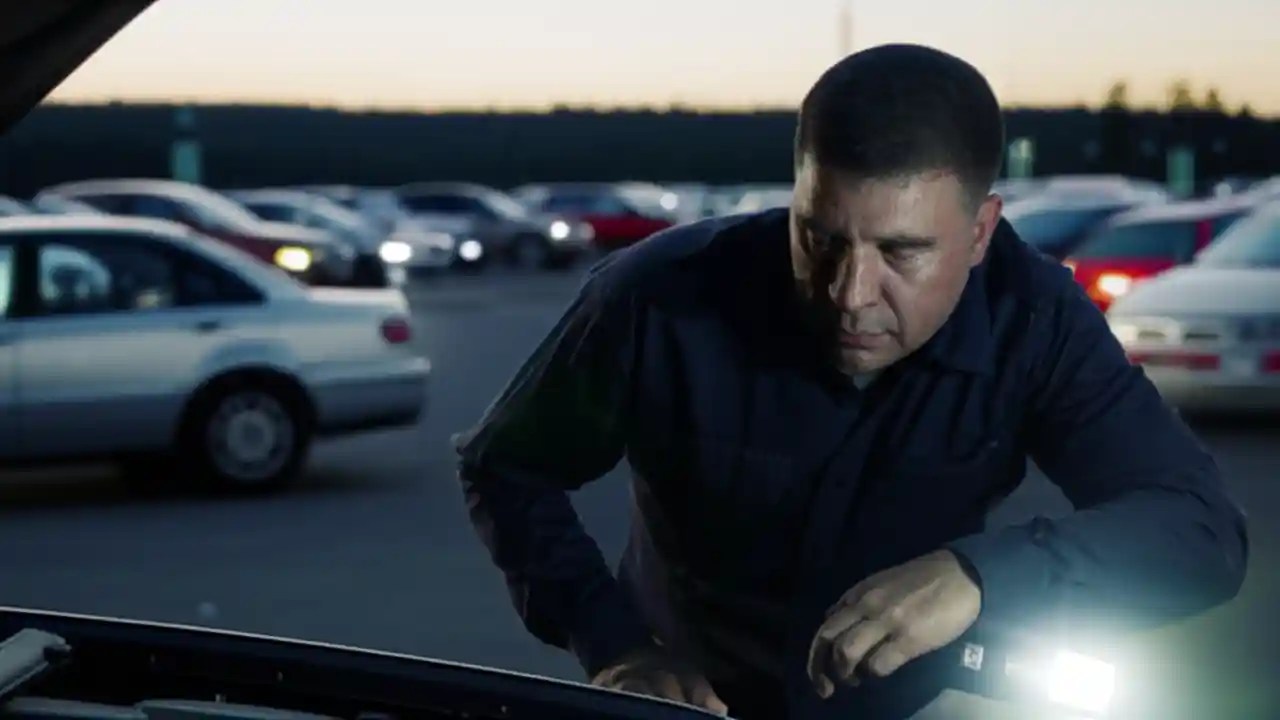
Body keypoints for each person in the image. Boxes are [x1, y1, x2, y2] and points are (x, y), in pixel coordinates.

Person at [453, 43, 1248, 720]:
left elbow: (1199, 531)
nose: (849, 292)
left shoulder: (1034, 319)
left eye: (901, 252)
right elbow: (506, 465)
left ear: (980, 232)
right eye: (820, 238)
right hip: (687, 704)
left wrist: (980, 576)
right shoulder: (660, 297)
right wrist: (615, 648)